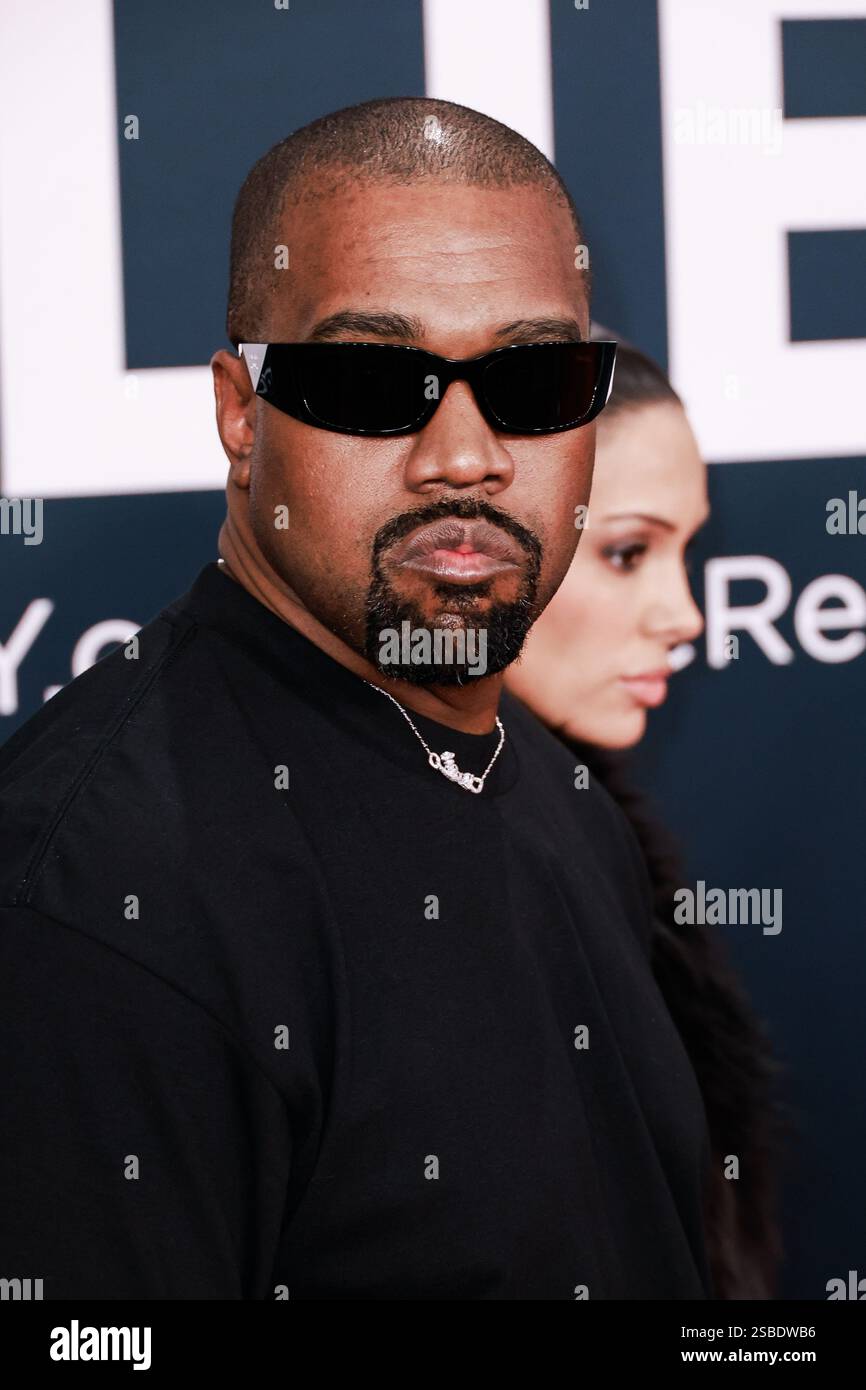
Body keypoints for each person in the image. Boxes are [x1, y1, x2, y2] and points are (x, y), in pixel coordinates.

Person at [0, 98, 713, 1299]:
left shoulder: (551, 785)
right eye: (374, 380)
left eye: (533, 379)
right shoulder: (93, 906)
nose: (465, 455)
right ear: (240, 413)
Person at [506, 331, 785, 1298]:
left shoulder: (584, 839)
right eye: (628, 553)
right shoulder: (424, 887)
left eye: (686, 550)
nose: (687, 615)